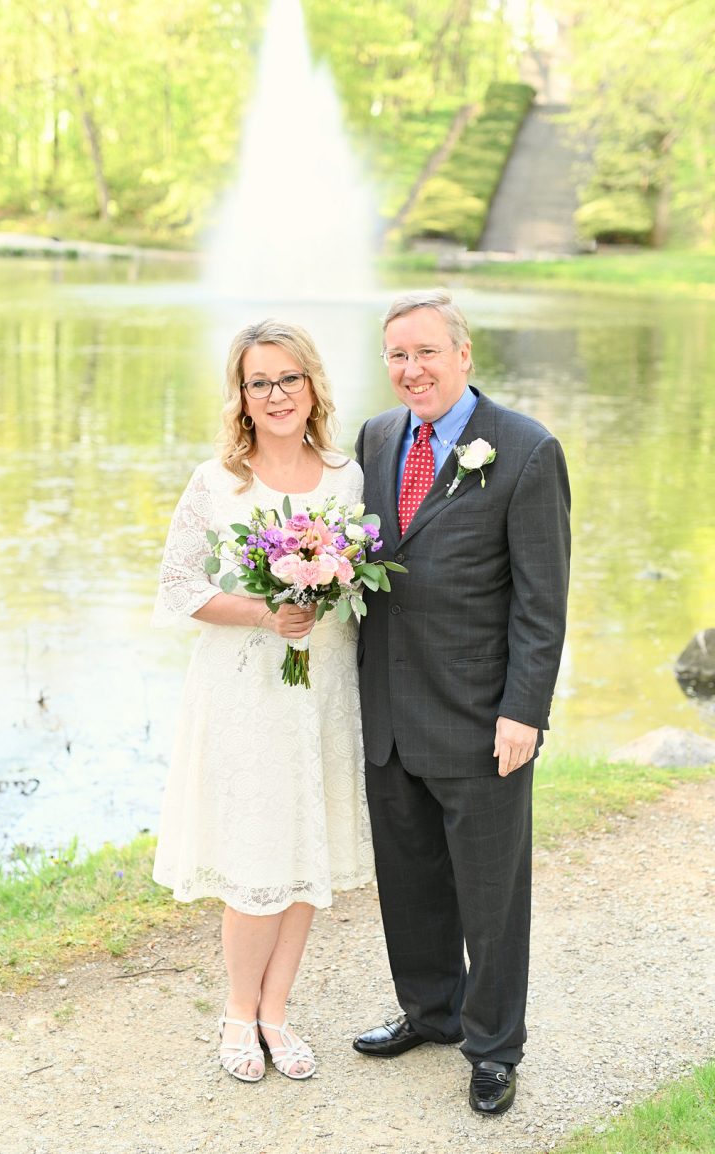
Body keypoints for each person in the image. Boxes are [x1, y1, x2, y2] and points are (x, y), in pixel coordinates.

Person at [352, 290, 570, 1115]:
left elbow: (541, 604)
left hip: (483, 718)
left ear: (464, 354)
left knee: (491, 893)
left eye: (427, 353)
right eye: (398, 356)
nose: (413, 371)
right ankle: (430, 1011)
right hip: (391, 713)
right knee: (407, 878)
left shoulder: (524, 451)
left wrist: (525, 710)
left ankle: (493, 1047)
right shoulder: (376, 437)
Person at [152, 320, 373, 1084]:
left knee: (306, 847)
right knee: (256, 853)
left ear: (312, 385)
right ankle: (238, 1013)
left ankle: (278, 1012)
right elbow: (179, 587)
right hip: (247, 692)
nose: (276, 394)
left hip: (324, 689)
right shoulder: (221, 481)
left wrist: (326, 593)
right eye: (259, 382)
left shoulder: (348, 478)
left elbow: (360, 582)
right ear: (241, 397)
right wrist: (263, 611)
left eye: (289, 378)